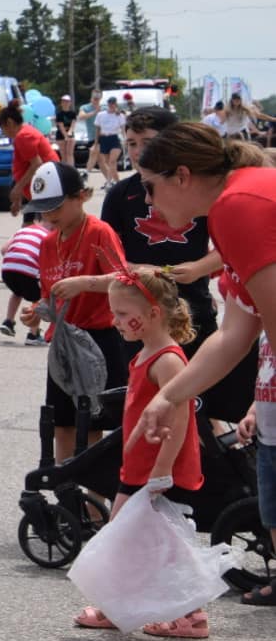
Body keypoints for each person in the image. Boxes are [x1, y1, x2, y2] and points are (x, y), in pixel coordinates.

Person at [73, 268, 209, 638]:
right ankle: (118, 607)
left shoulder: (168, 360)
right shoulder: (146, 354)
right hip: (139, 467)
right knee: (123, 538)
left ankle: (191, 615)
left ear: (153, 314)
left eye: (121, 313)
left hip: (159, 470)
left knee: (161, 543)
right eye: (113, 313)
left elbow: (179, 416)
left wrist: (162, 469)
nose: (115, 321)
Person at [101, 107, 257, 424]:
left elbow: (232, 251)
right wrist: (136, 270)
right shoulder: (121, 195)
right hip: (142, 308)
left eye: (147, 142)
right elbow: (107, 253)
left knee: (205, 408)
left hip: (193, 303)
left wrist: (198, 268)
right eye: (131, 143)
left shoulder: (225, 203)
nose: (147, 200)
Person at [134, 125, 275, 463]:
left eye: (149, 187)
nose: (147, 200)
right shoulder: (237, 199)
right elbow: (232, 335)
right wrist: (169, 397)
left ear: (181, 176)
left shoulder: (237, 204)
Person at [21, 161, 129, 462]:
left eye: (56, 207)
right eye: (43, 209)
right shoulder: (48, 243)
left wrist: (85, 283)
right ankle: (65, 483)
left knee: (91, 423)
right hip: (63, 343)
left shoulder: (99, 232)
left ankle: (93, 490)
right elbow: (50, 294)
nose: (49, 216)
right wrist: (36, 311)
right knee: (62, 423)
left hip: (99, 340)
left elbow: (124, 280)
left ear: (81, 196)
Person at [233, 334, 276, 609]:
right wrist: (252, 413)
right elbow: (265, 379)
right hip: (268, 437)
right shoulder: (264, 334)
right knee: (271, 516)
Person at [0, 103, 58, 222]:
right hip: (36, 187)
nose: (3, 132)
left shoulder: (23, 136)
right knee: (30, 224)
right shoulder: (25, 131)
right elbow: (24, 167)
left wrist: (18, 188)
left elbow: (37, 164)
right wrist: (18, 198)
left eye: (2, 128)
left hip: (44, 187)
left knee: (45, 226)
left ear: (10, 122)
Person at [0, 220, 51, 344]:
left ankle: (8, 321)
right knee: (38, 299)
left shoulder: (23, 230)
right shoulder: (49, 237)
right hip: (28, 271)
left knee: (17, 292)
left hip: (7, 270)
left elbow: (4, 250)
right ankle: (33, 335)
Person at [93, 96, 126, 187]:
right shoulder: (101, 115)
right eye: (110, 103)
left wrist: (125, 139)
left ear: (116, 104)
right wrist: (96, 143)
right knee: (109, 163)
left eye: (113, 103)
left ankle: (108, 182)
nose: (111, 105)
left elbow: (123, 129)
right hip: (104, 139)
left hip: (114, 138)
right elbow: (97, 129)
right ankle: (118, 183)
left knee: (112, 161)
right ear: (108, 104)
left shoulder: (120, 115)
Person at [77, 90, 103, 172]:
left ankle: (86, 173)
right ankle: (87, 173)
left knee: (96, 157)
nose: (96, 100)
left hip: (103, 136)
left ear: (100, 98)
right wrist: (95, 112)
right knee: (100, 160)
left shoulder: (104, 108)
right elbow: (81, 117)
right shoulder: (85, 107)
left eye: (97, 99)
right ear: (91, 98)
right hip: (92, 137)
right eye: (94, 98)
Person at [55, 94, 79, 166]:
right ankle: (64, 170)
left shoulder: (73, 113)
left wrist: (69, 133)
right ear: (61, 103)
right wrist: (65, 136)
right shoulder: (59, 114)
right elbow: (61, 126)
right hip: (60, 135)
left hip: (70, 134)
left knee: (70, 154)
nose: (65, 103)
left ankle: (71, 169)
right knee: (63, 154)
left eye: (67, 101)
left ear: (70, 103)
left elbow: (73, 124)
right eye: (64, 101)